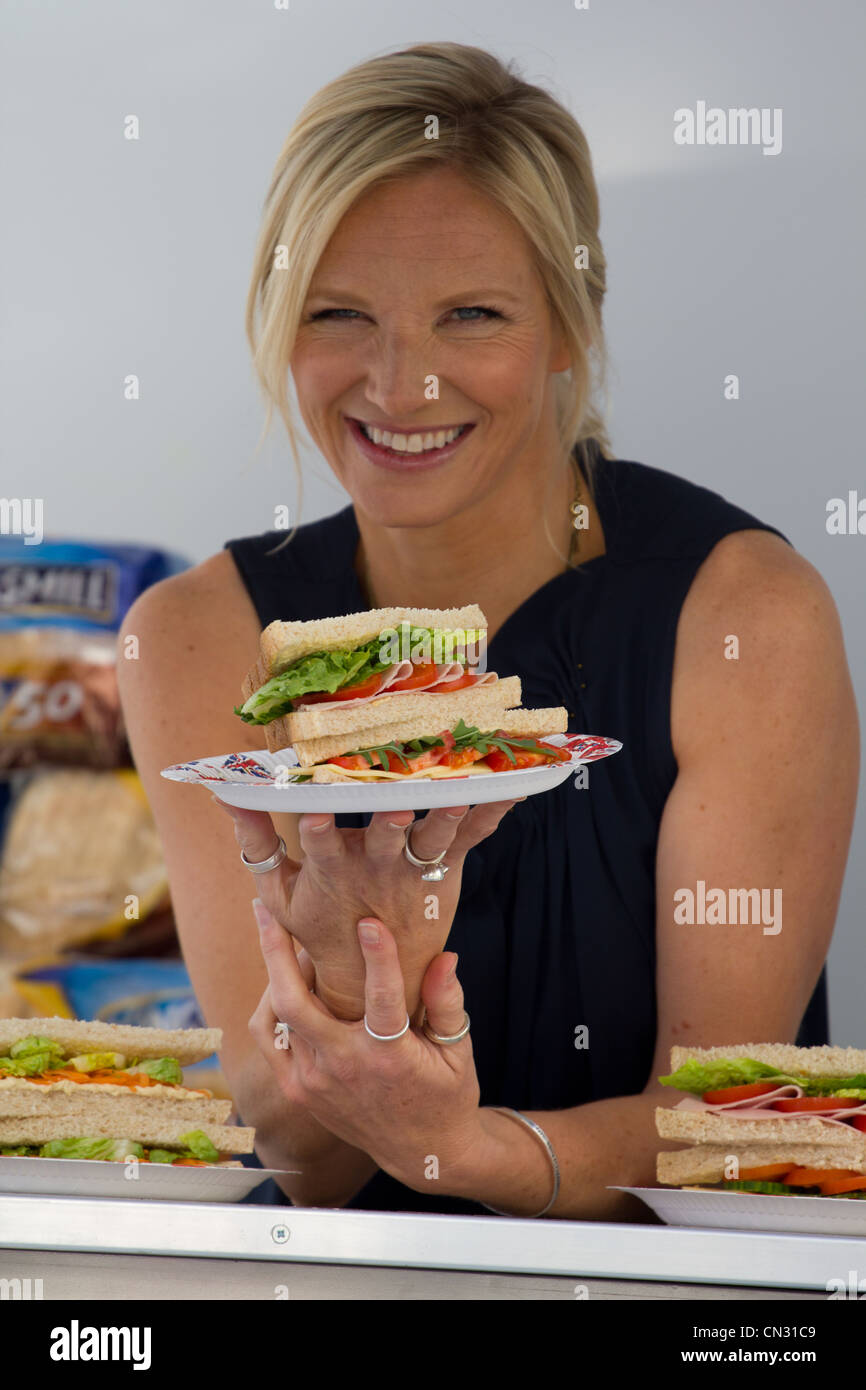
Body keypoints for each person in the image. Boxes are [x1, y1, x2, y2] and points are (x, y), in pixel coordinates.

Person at [117, 42, 859, 1220]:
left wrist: (457, 1151)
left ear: (567, 326)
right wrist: (360, 966)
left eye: (471, 315)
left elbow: (723, 1128)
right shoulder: (199, 639)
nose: (400, 384)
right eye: (338, 313)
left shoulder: (743, 617)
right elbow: (297, 1157)